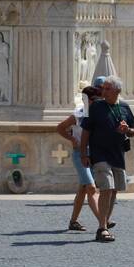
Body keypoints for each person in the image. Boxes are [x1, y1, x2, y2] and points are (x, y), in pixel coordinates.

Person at [79, 76, 134, 243]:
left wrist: (128, 130)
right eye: (102, 88)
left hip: (117, 154)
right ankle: (102, 228)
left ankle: (103, 223)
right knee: (106, 187)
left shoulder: (124, 107)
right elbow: (85, 132)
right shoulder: (96, 106)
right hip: (99, 154)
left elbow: (133, 130)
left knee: (114, 191)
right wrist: (83, 154)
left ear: (117, 91)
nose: (102, 91)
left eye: (106, 89)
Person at [56, 85, 103, 232]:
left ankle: (73, 221)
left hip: (93, 154)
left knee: (83, 189)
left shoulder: (98, 114)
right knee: (91, 187)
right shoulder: (78, 114)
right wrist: (72, 139)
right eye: (93, 100)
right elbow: (60, 127)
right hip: (79, 154)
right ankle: (103, 221)